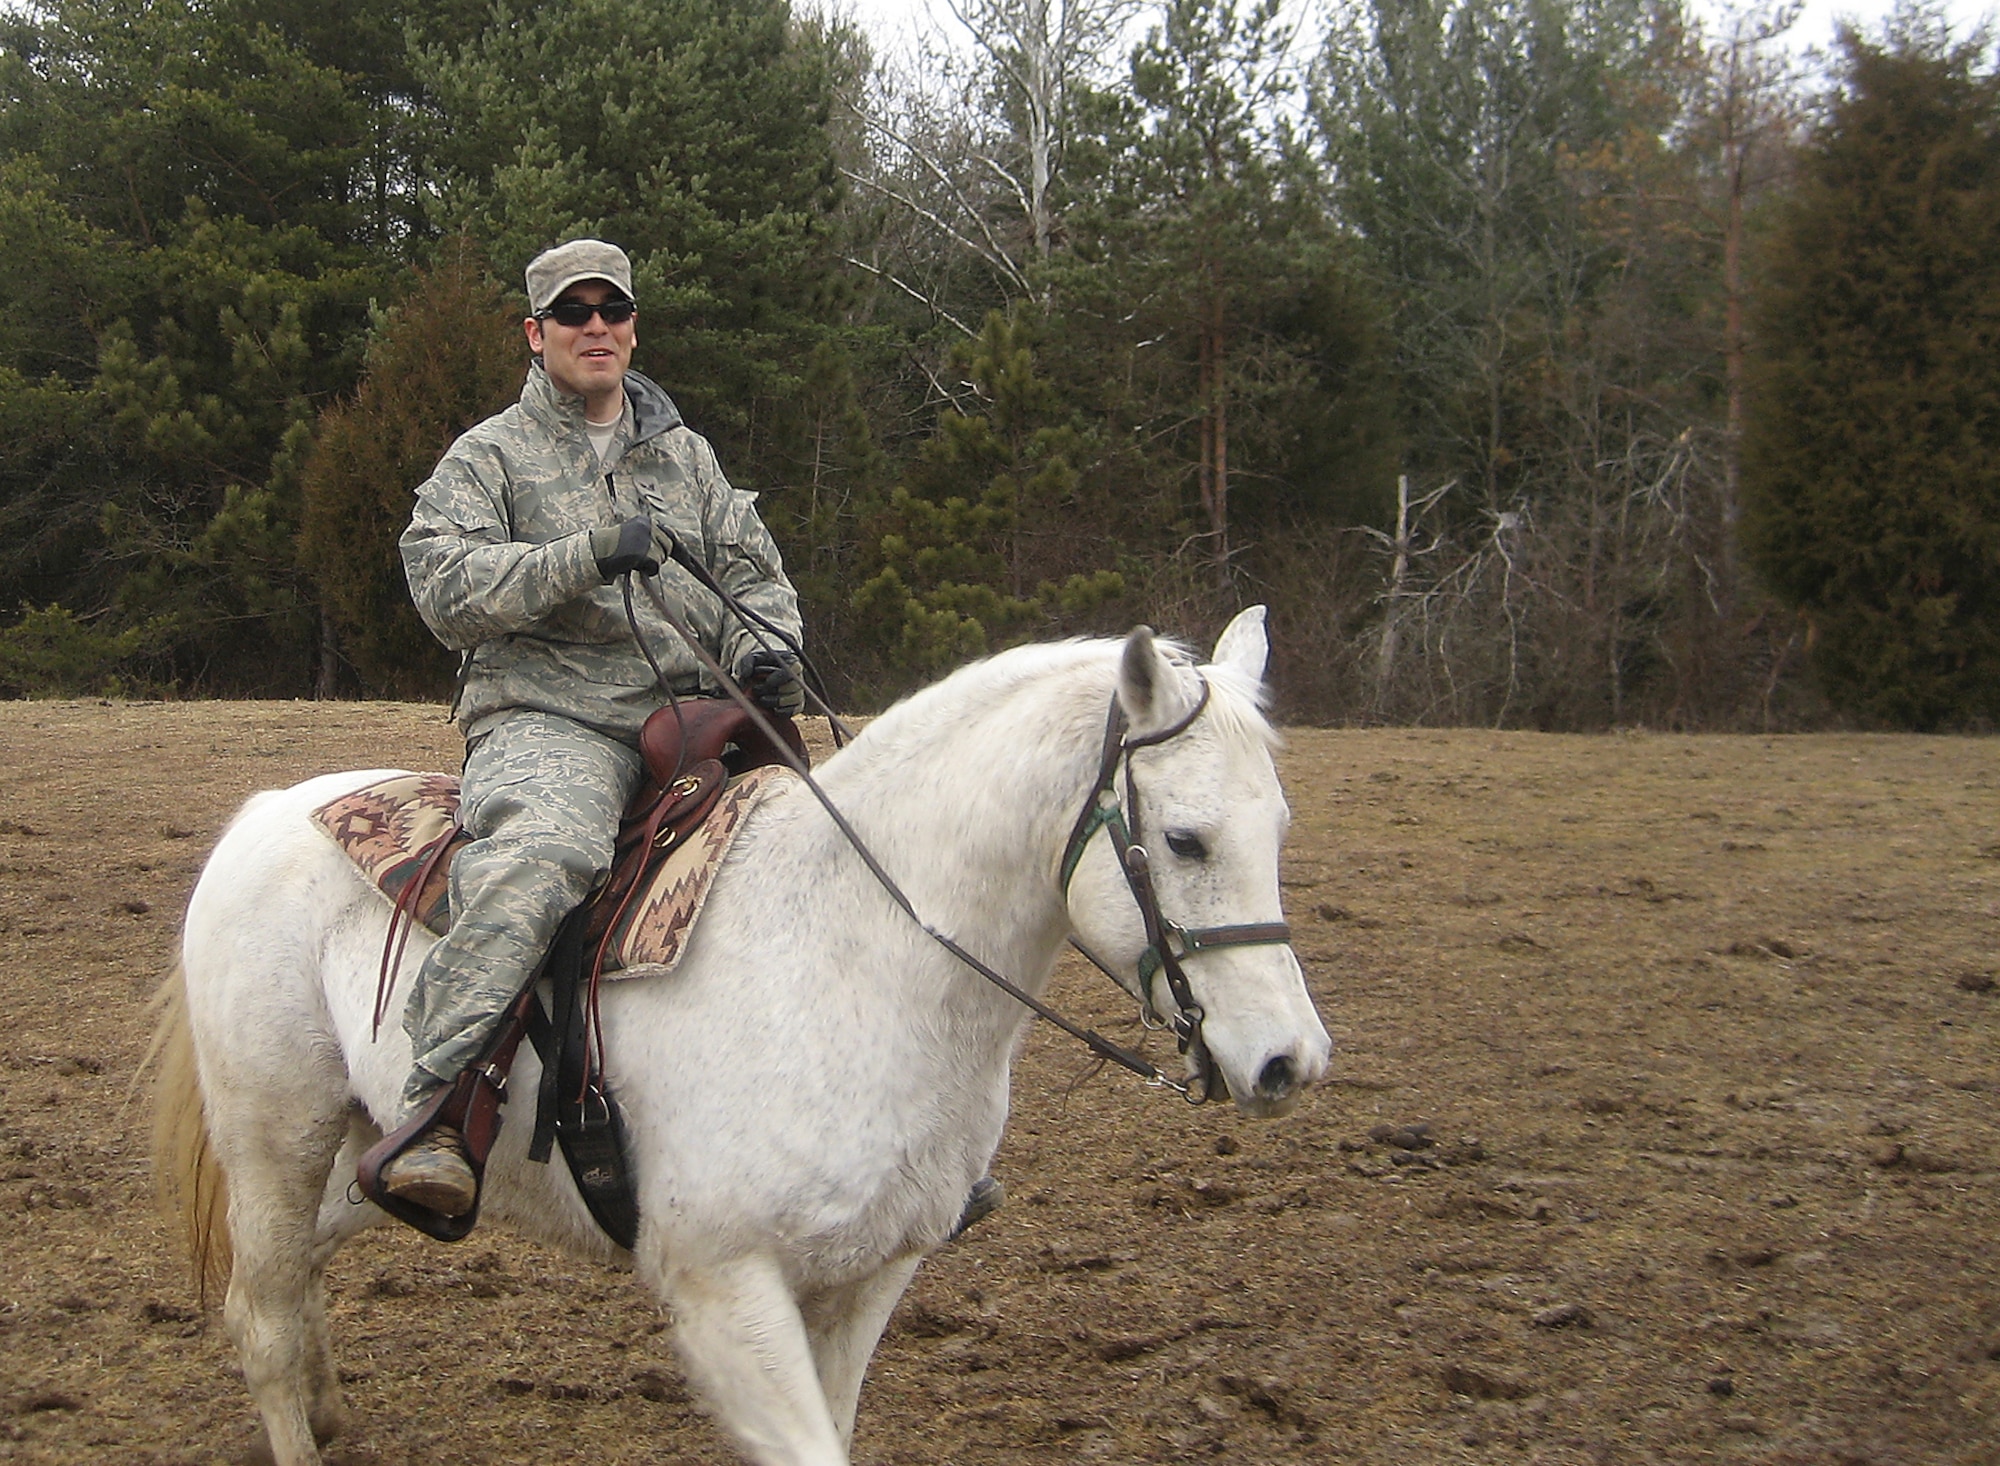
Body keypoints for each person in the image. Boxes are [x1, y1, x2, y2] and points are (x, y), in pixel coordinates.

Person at [377, 238, 806, 1218]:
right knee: (546, 850)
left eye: (612, 307)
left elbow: (753, 573)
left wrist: (765, 647)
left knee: (837, 845)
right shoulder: (488, 457)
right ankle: (438, 1108)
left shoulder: (686, 455)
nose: (596, 325)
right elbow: (442, 586)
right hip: (551, 716)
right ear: (536, 335)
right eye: (571, 311)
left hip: (698, 716)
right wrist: (578, 554)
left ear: (634, 325)